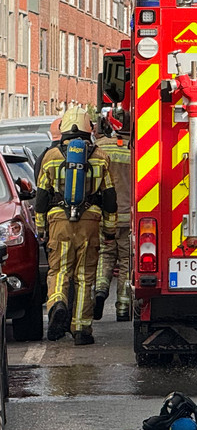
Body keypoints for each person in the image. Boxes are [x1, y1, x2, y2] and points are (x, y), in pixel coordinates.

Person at [35, 105, 118, 345]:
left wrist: (41, 228)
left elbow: (41, 197)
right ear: (88, 128)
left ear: (63, 128)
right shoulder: (101, 157)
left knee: (59, 270)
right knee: (84, 277)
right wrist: (109, 230)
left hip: (58, 222)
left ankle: (58, 303)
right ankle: (81, 329)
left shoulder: (51, 157)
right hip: (90, 222)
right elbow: (109, 198)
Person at [94, 108, 133, 322]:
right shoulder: (136, 148)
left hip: (104, 216)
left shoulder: (99, 148)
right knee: (127, 261)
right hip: (129, 217)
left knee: (105, 255)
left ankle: (100, 290)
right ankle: (123, 307)